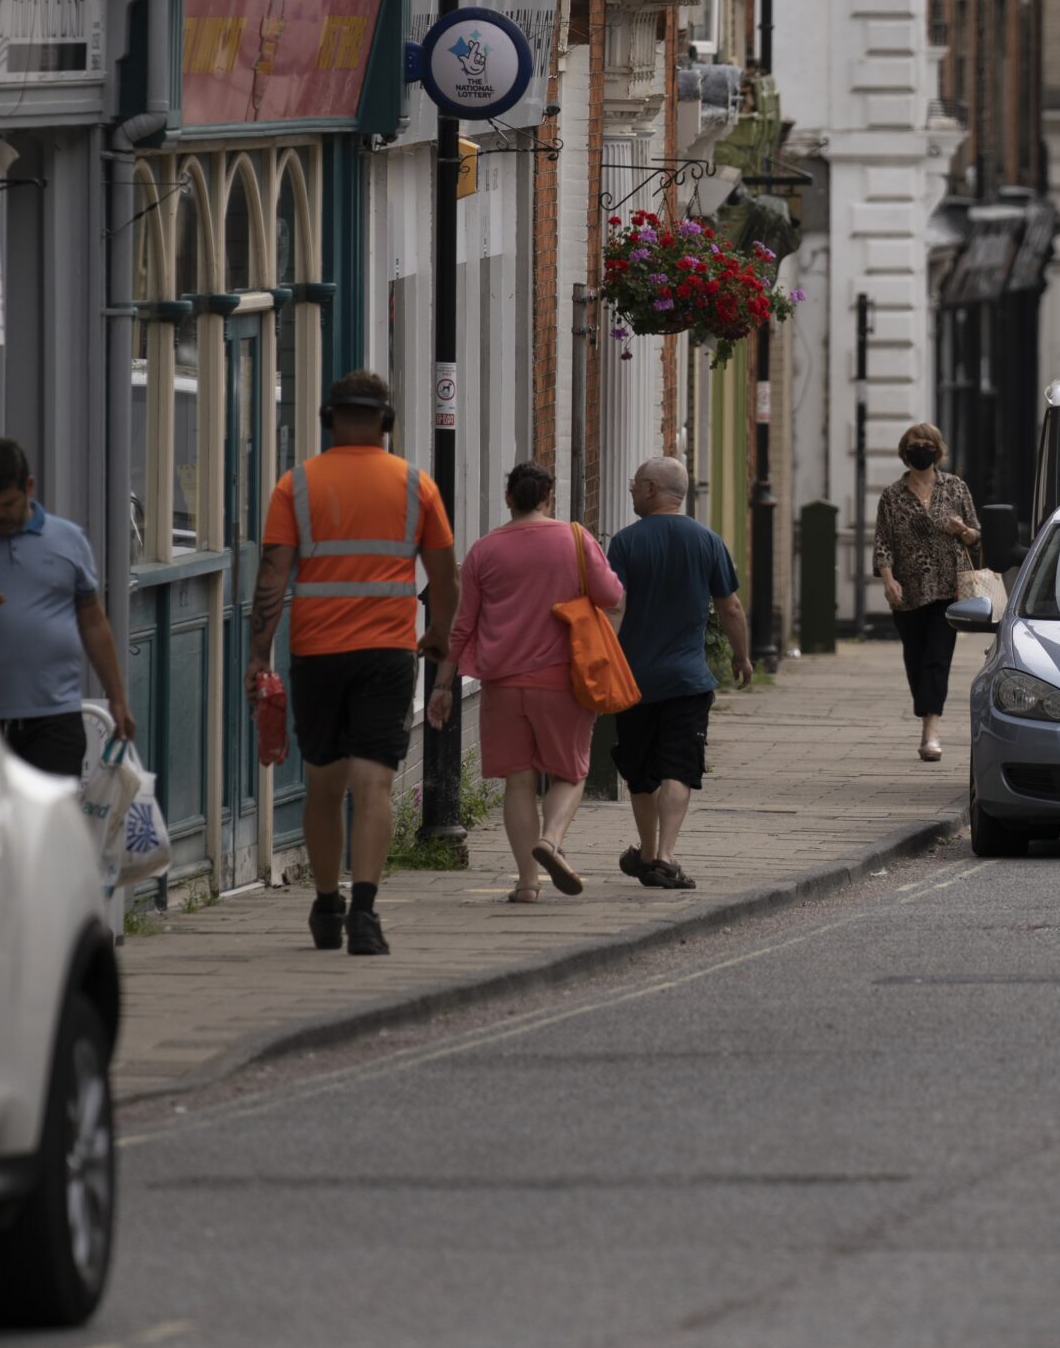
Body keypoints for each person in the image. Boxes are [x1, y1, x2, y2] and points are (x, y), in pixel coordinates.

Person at [248, 370, 456, 957]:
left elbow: (272, 577)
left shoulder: (298, 486)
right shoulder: (417, 486)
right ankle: (364, 914)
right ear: (386, 422)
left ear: (327, 420)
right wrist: (437, 635)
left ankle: (324, 902)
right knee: (375, 784)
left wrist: (258, 656)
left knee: (322, 783)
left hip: (317, 654)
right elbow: (445, 576)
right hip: (388, 653)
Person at [443, 461, 622, 905]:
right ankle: (552, 839)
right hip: (561, 680)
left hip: (502, 685)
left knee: (518, 782)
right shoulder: (576, 540)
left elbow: (462, 626)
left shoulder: (484, 551)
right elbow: (612, 596)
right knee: (570, 771)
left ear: (509, 499)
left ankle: (527, 883)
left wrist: (442, 685)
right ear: (548, 498)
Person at [0, 437, 135, 776]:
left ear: (29, 487)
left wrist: (118, 697)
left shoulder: (69, 540)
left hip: (55, 719)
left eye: (8, 503)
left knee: (48, 825)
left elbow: (93, 622)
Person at [604, 456, 751, 891]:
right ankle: (664, 855)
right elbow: (731, 607)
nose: (631, 490)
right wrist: (741, 658)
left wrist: (600, 660)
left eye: (635, 484)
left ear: (652, 489)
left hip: (633, 679)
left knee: (639, 771)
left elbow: (616, 606)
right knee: (679, 769)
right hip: (688, 681)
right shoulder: (707, 540)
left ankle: (649, 854)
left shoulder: (626, 544)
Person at [873, 422, 981, 763]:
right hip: (907, 590)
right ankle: (926, 715)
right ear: (906, 452)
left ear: (938, 450)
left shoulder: (955, 488)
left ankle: (930, 730)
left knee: (937, 657)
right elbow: (882, 543)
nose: (922, 448)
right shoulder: (892, 495)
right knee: (915, 658)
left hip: (947, 588)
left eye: (927, 443)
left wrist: (961, 529)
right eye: (915, 444)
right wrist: (888, 580)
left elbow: (976, 536)